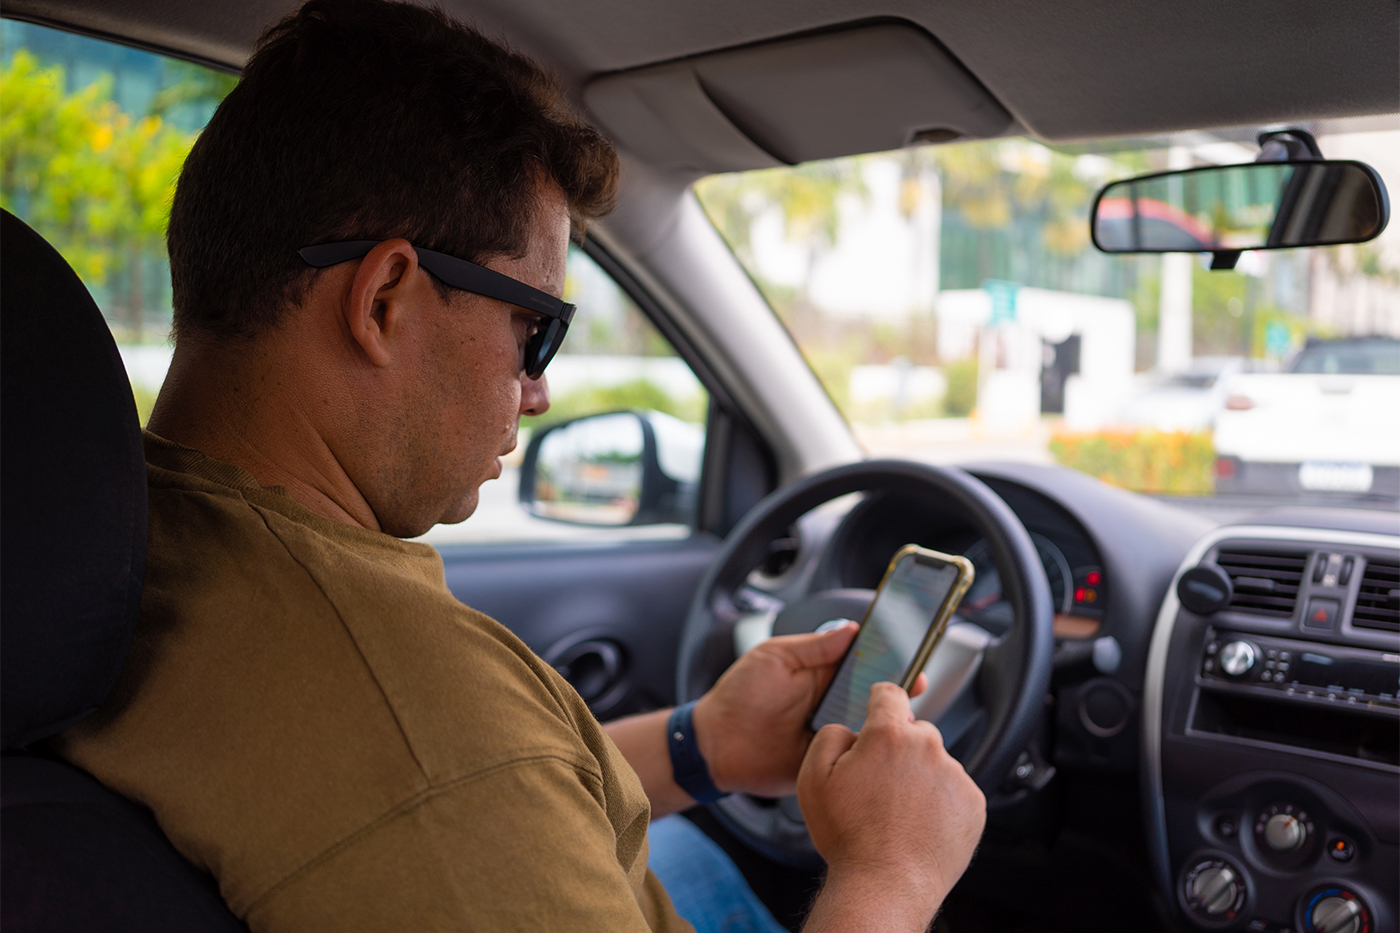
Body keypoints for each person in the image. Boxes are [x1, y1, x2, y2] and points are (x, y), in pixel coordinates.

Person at [52, 2, 986, 931]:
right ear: (384, 300)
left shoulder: (108, 531)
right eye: (535, 330)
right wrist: (887, 873)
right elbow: (455, 783)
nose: (538, 393)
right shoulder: (422, 731)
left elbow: (488, 797)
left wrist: (701, 745)